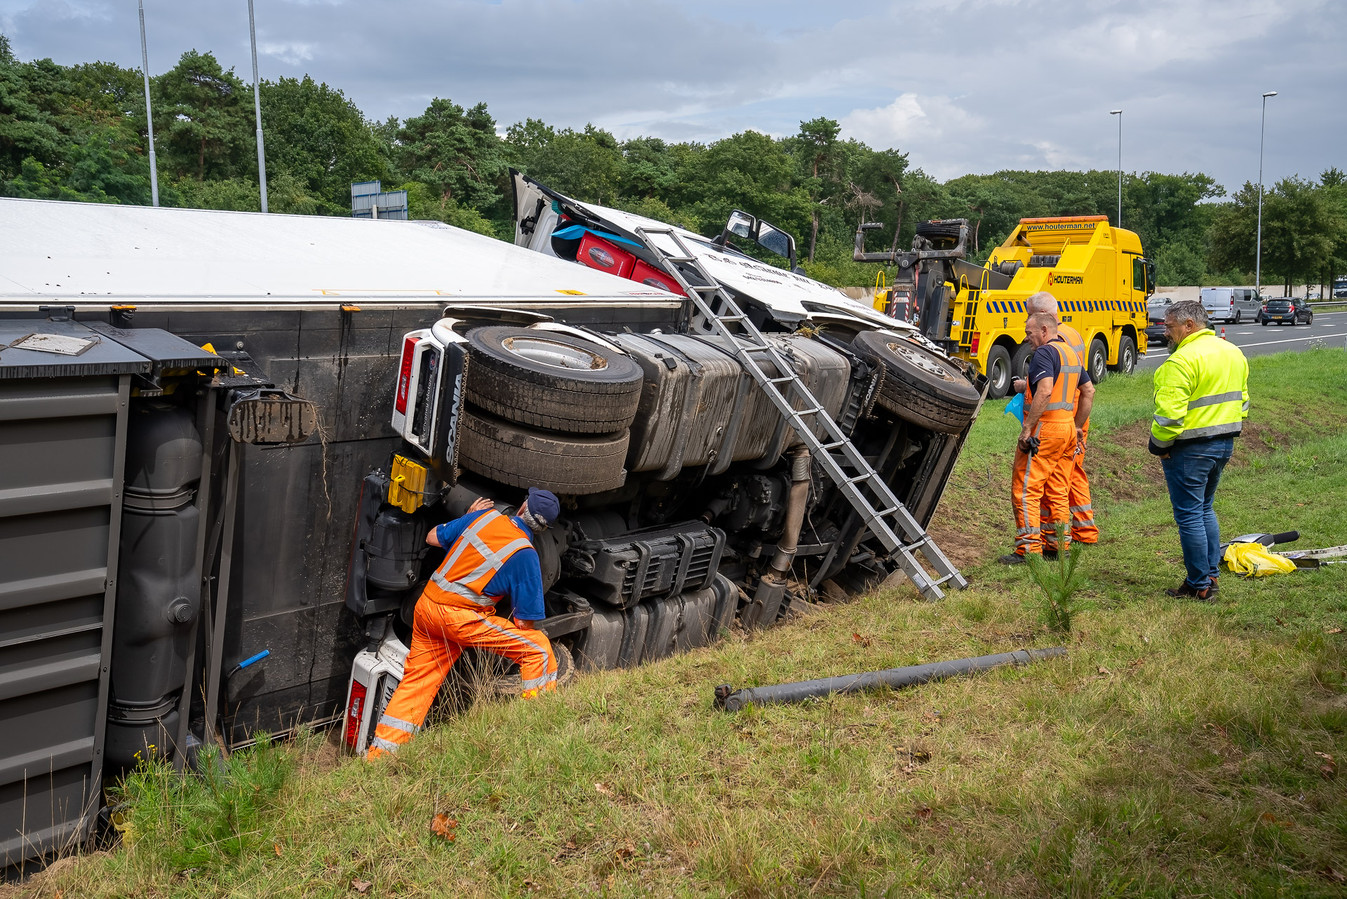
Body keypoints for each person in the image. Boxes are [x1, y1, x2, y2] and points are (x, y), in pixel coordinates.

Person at [367, 487, 562, 758]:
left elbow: (432, 537)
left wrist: (469, 519)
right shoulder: (526, 554)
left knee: (419, 682)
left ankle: (380, 756)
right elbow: (525, 624)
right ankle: (534, 733)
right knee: (538, 650)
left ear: (522, 506)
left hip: (426, 608)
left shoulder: (483, 517)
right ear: (543, 529)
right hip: (458, 618)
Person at [1150, 301, 1249, 600]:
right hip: (1224, 443)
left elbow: (1168, 416)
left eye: (1169, 327)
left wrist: (1159, 447)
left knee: (1190, 515)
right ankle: (1210, 577)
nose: (1166, 333)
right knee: (1205, 509)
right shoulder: (1232, 351)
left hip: (1189, 449)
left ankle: (1199, 585)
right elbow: (1242, 402)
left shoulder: (1180, 362)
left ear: (1189, 325)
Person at [1000, 312, 1095, 564]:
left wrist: (1027, 428)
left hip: (1046, 429)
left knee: (1025, 489)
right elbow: (1088, 390)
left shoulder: (1044, 353)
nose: (1026, 337)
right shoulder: (1070, 353)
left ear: (1044, 330)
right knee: (1057, 490)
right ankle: (1058, 545)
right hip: (1066, 430)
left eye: (1029, 333)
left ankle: (1028, 550)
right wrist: (1076, 426)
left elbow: (1044, 390)